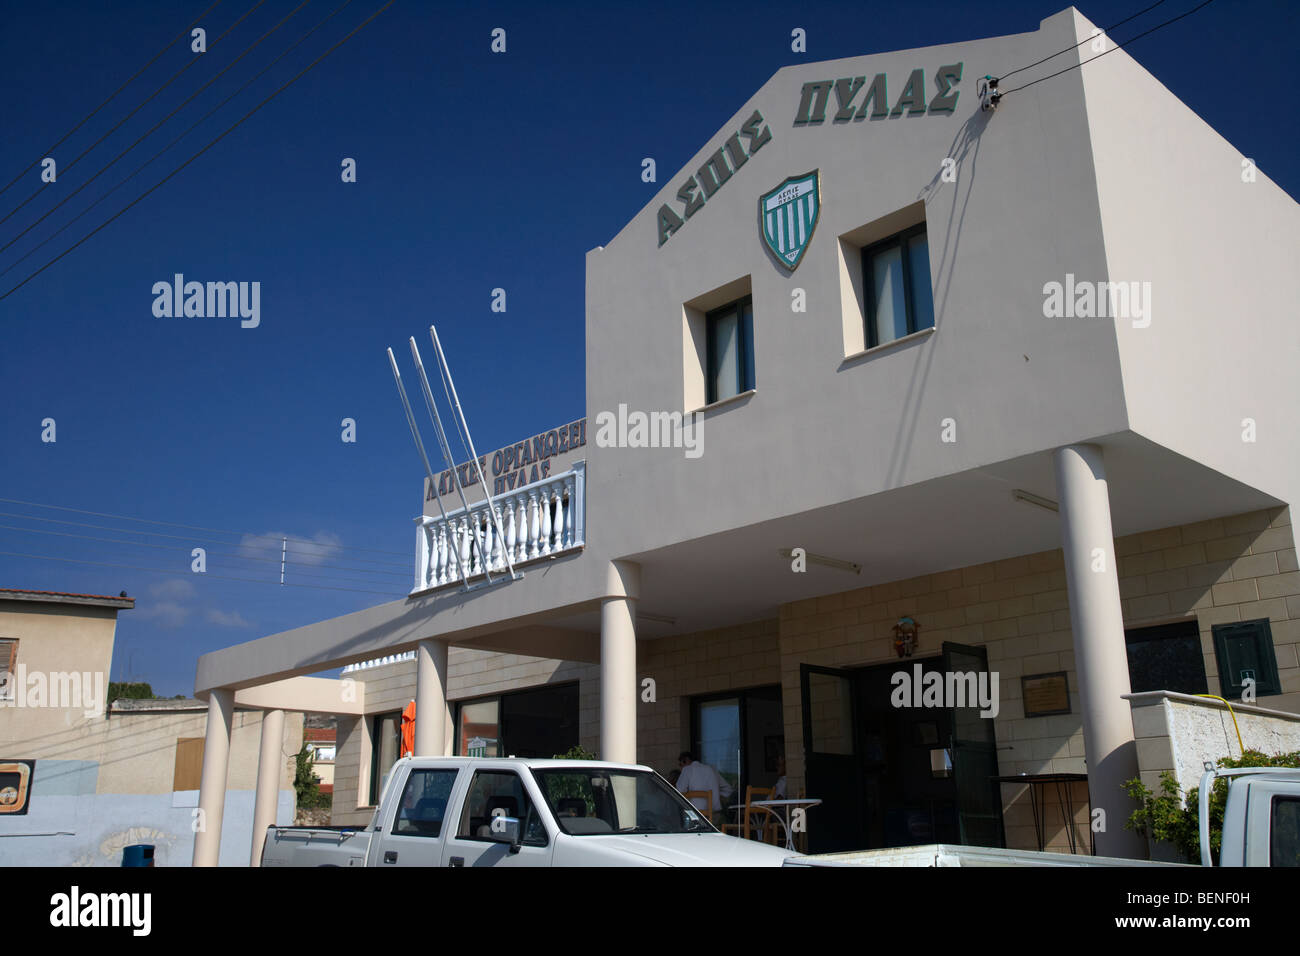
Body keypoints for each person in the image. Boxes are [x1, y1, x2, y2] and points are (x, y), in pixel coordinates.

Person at [675, 751, 732, 817]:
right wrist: (715, 795)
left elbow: (679, 791)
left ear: (687, 760)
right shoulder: (712, 769)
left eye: (681, 765)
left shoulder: (687, 769)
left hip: (695, 814)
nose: (681, 768)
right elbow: (728, 789)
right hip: (714, 814)